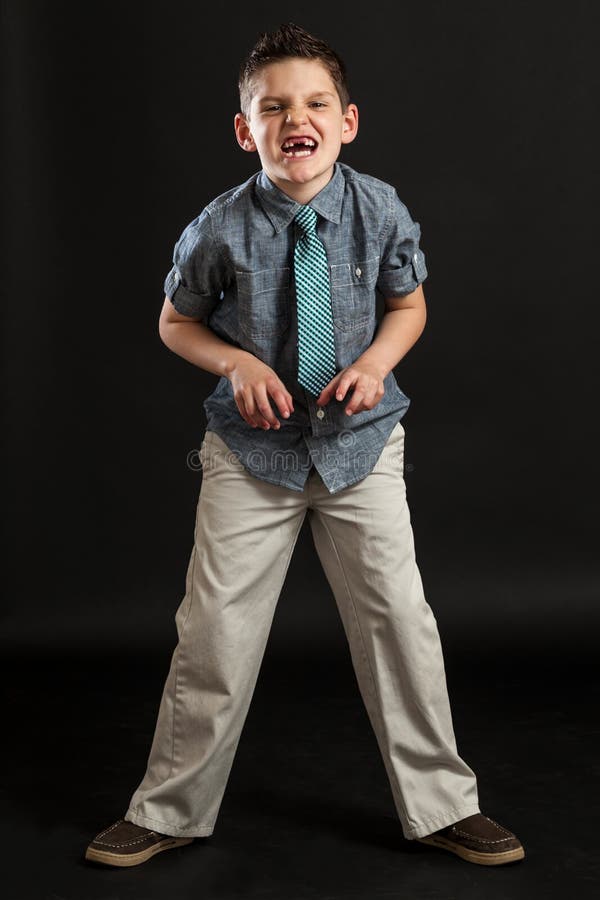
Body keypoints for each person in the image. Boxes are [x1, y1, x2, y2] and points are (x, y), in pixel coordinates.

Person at [85, 22, 524, 869]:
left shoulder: (381, 207)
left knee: (401, 623)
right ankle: (169, 809)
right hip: (253, 456)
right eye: (274, 105)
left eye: (316, 102)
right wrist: (236, 361)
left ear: (347, 121)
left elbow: (409, 305)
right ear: (245, 129)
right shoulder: (217, 227)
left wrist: (374, 364)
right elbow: (176, 323)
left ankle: (442, 805)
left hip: (362, 446)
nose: (299, 117)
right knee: (213, 631)